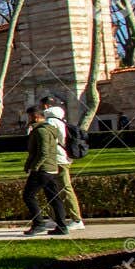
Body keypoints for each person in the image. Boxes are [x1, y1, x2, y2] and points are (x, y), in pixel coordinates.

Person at [39, 96, 86, 230]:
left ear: (46, 107)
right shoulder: (61, 120)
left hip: (57, 159)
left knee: (64, 188)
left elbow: (48, 142)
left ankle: (76, 219)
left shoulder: (51, 122)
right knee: (54, 189)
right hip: (63, 158)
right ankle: (56, 218)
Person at [23, 106, 70, 237]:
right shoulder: (48, 129)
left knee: (28, 195)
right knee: (54, 198)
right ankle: (62, 226)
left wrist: (35, 167)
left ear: (36, 117)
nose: (28, 120)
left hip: (43, 170)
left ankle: (38, 223)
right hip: (50, 168)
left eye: (30, 117)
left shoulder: (41, 131)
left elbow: (43, 152)